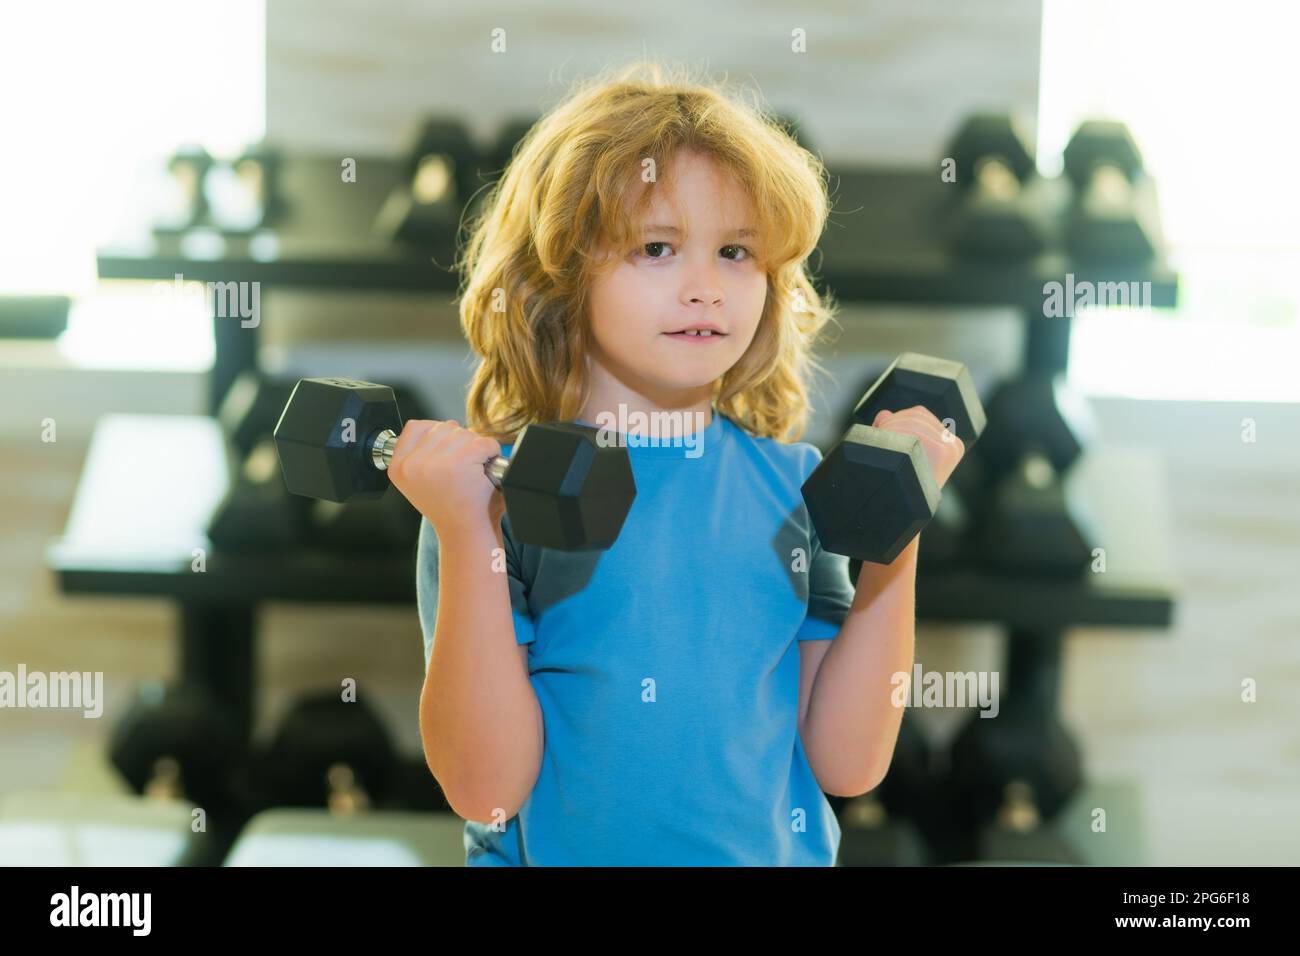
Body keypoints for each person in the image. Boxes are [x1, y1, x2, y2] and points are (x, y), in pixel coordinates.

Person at [388, 60, 965, 865]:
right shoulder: (489, 498)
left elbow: (849, 763)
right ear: (556, 275)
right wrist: (460, 531)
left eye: (736, 252)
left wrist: (895, 540)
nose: (706, 288)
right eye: (657, 248)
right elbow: (488, 788)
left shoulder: (796, 488)